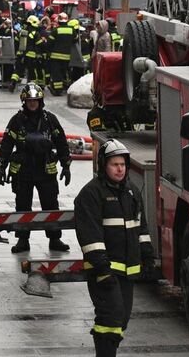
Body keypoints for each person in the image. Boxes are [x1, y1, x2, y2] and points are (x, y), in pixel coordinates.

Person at [74, 138, 153, 356]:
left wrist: (147, 257)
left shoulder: (131, 192)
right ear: (103, 165)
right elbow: (90, 236)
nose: (120, 169)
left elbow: (141, 228)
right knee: (110, 319)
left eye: (123, 164)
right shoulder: (91, 194)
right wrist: (102, 270)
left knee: (121, 320)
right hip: (105, 273)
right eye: (114, 164)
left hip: (127, 272)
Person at [0, 82, 72, 252]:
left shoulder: (50, 120)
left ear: (41, 101)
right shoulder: (17, 121)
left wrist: (66, 164)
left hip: (45, 170)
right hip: (23, 171)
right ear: (24, 102)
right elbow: (6, 144)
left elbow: (62, 142)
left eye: (35, 100)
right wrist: (1, 166)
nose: (32, 103)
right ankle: (22, 240)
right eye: (29, 101)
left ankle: (54, 240)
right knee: (22, 206)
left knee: (50, 205)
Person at [49, 15, 81, 94]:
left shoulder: (56, 30)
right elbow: (76, 40)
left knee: (56, 73)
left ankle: (58, 90)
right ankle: (66, 86)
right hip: (66, 56)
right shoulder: (71, 30)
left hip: (55, 56)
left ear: (59, 21)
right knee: (65, 72)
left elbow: (49, 42)